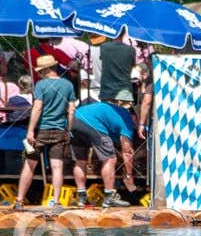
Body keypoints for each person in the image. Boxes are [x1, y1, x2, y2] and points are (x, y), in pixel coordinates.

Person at [18, 54, 75, 208]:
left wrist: (30, 131)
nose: (39, 74)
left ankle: (19, 200)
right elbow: (71, 110)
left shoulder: (41, 85)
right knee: (57, 166)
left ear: (45, 70)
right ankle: (56, 202)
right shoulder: (68, 85)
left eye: (40, 71)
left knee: (30, 164)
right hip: (59, 130)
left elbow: (37, 107)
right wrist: (68, 130)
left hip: (41, 130)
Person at [71, 100, 137, 207]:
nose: (136, 125)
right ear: (134, 116)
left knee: (80, 161)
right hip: (92, 122)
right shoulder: (127, 119)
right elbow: (127, 152)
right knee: (110, 159)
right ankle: (109, 197)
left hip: (74, 120)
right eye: (137, 122)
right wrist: (129, 175)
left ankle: (81, 198)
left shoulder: (116, 112)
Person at [90, 33, 137, 104]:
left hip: (107, 91)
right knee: (122, 114)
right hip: (124, 91)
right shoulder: (131, 49)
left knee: (107, 113)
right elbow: (133, 65)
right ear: (123, 34)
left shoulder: (104, 47)